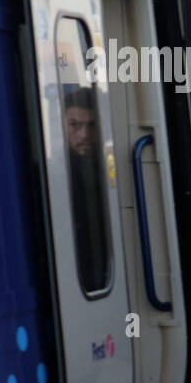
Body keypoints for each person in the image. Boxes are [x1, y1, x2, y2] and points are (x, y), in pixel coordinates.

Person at [63, 87, 109, 292]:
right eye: (74, 125)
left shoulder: (113, 172)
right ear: (62, 125)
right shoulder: (53, 174)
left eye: (92, 125)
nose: (84, 135)